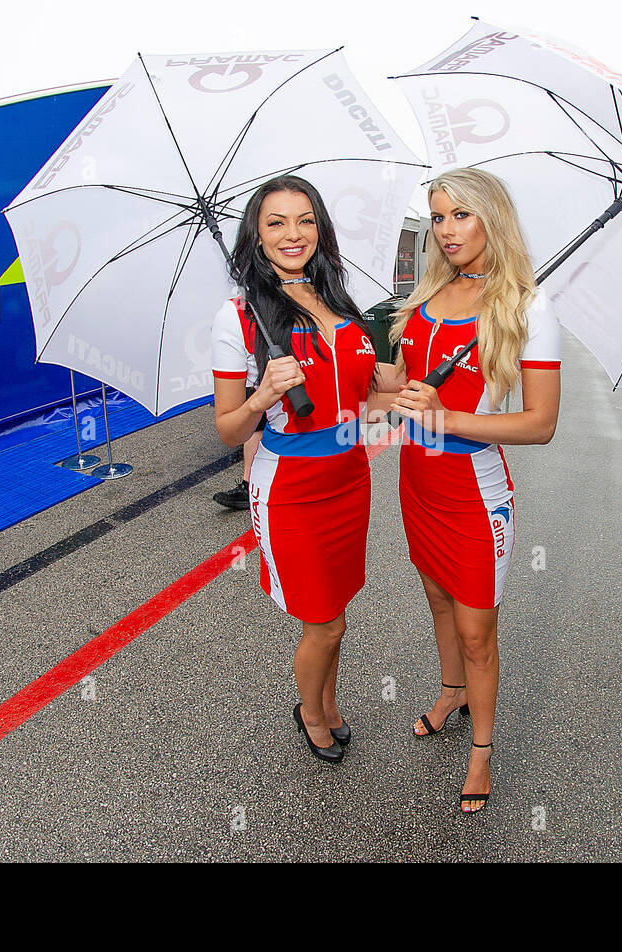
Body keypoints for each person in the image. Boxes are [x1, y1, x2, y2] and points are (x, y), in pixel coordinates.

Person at [387, 168, 561, 812]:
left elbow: (540, 423)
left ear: (492, 216)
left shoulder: (527, 307)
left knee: (476, 629)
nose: (447, 230)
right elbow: (395, 384)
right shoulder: (428, 293)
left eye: (461, 215)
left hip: (472, 488)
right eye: (437, 217)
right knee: (436, 601)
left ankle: (482, 749)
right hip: (416, 479)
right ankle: (451, 690)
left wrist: (447, 417)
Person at [210, 174, 401, 764]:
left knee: (338, 612)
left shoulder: (339, 302)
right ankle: (311, 713)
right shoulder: (238, 316)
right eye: (276, 223)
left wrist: (392, 392)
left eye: (305, 220)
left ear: (321, 228)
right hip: (290, 487)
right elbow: (228, 429)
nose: (293, 234)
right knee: (323, 623)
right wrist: (264, 394)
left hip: (351, 476)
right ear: (256, 235)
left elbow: (360, 398)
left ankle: (331, 702)